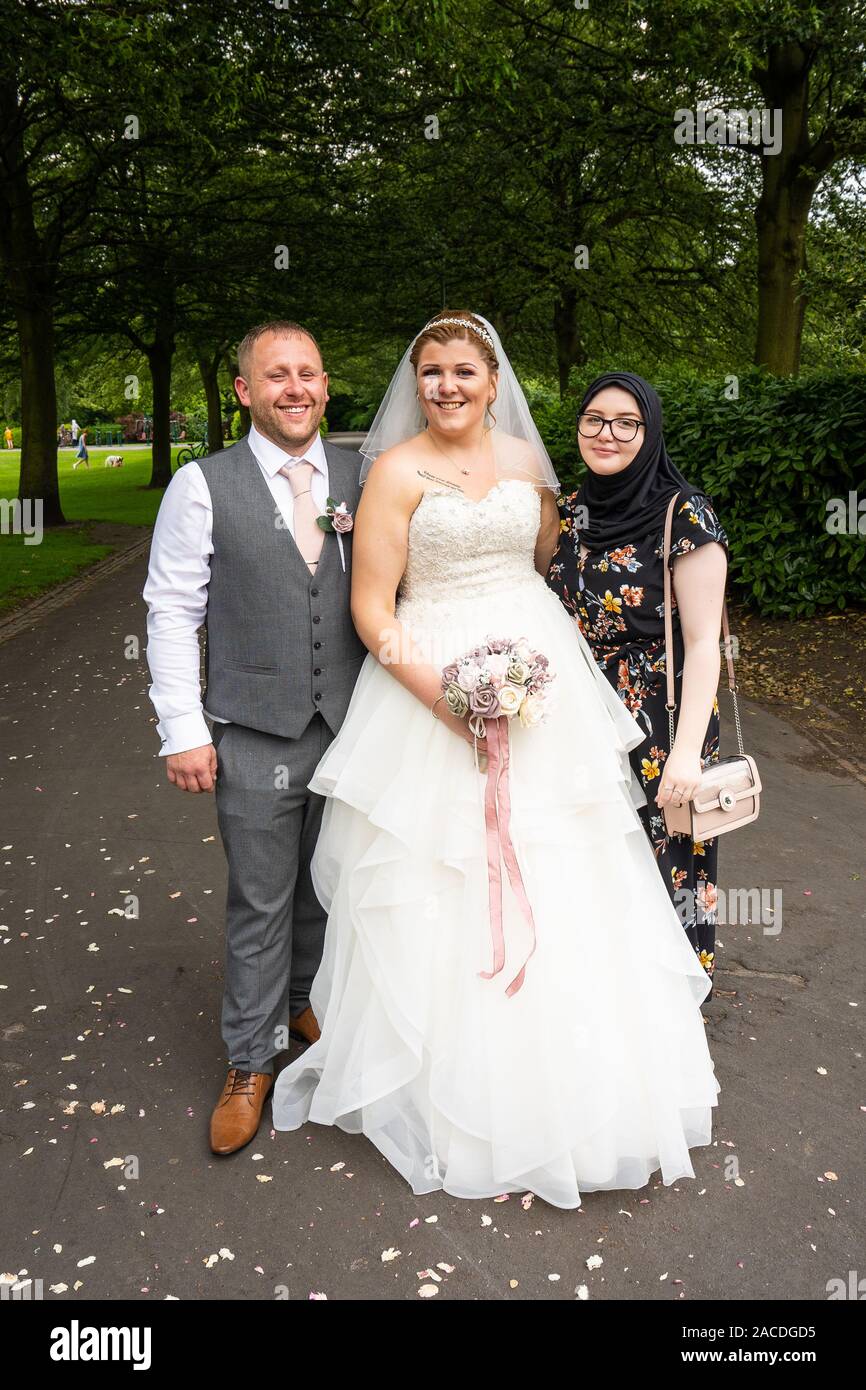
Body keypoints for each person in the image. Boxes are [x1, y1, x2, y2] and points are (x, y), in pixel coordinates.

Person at [270, 312, 719, 1210]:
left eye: (464, 371)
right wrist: (451, 701)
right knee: (439, 875)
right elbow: (374, 612)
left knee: (573, 866)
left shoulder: (529, 466)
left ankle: (580, 1070)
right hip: (432, 681)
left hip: (541, 680)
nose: (447, 386)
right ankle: (450, 1082)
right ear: (417, 381)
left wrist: (541, 676)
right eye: (431, 371)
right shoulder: (393, 475)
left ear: (492, 378)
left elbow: (556, 568)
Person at [143, 321, 367, 1156]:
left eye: (308, 372)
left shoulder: (361, 474)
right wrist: (182, 730)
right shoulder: (203, 485)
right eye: (276, 375)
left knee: (326, 883)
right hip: (254, 730)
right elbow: (171, 612)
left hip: (352, 727)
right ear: (245, 391)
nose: (295, 388)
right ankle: (250, 1057)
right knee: (260, 898)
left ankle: (303, 998)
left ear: (325, 383)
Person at [546, 373, 729, 992]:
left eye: (627, 423)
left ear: (648, 433)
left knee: (667, 861)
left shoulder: (685, 515)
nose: (607, 434)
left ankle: (674, 994)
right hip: (584, 713)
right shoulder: (573, 512)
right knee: (598, 854)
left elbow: (706, 643)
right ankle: (614, 999)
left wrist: (686, 753)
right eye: (594, 419)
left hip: (661, 717)